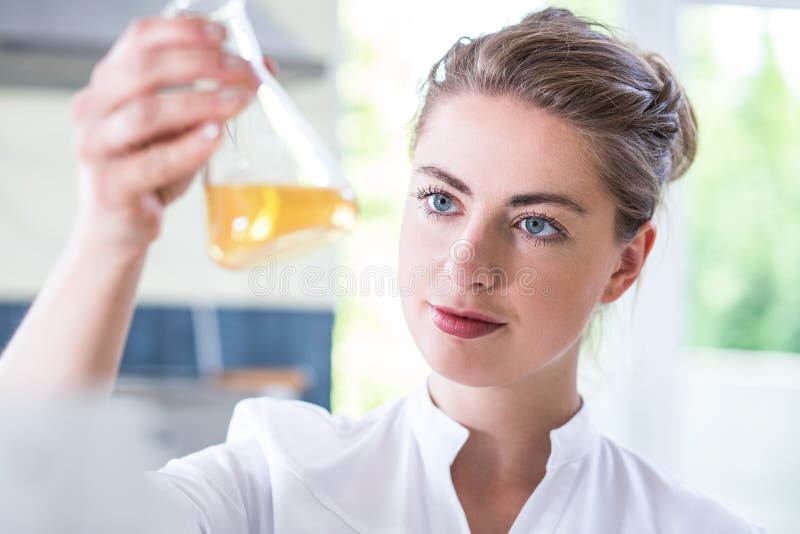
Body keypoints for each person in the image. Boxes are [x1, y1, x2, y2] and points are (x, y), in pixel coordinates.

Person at [0, 7, 766, 534]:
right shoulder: (276, 482)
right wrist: (110, 234)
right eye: (440, 199)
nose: (467, 263)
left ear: (624, 266)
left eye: (536, 224)